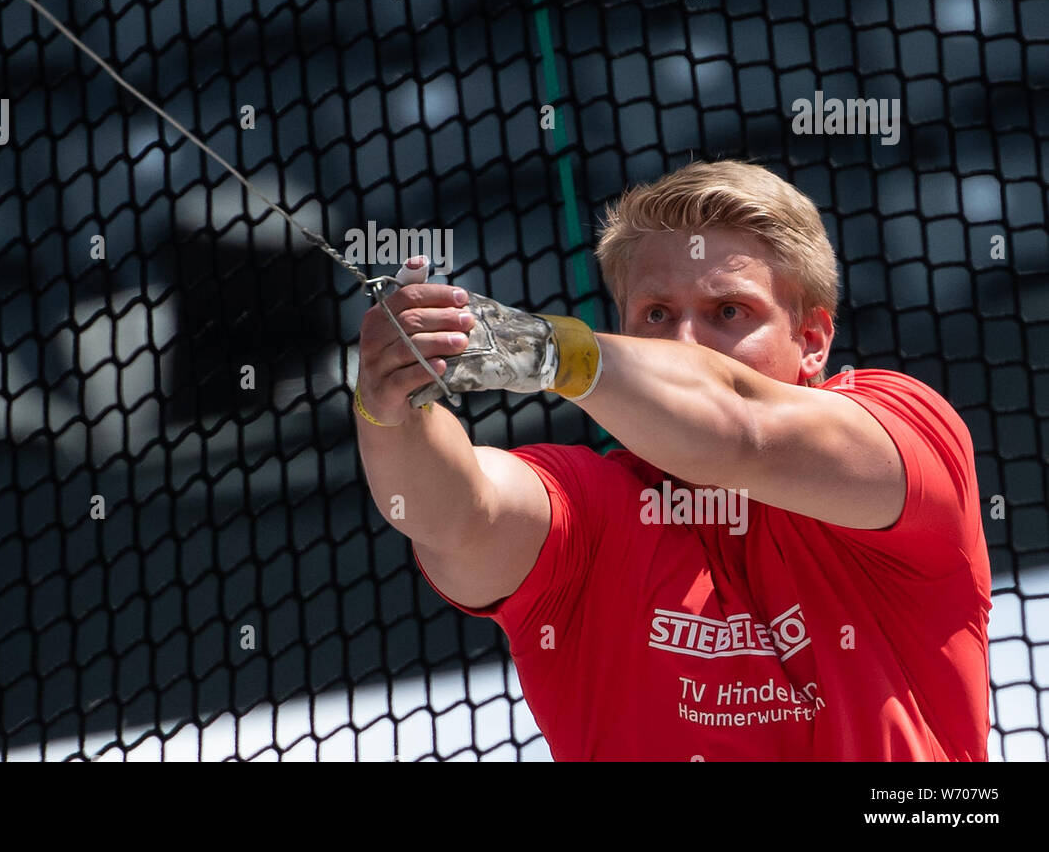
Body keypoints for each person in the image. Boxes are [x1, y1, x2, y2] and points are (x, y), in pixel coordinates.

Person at [352, 160, 991, 760]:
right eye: (656, 315)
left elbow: (738, 427)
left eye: (728, 312)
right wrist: (392, 402)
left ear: (813, 339)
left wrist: (550, 353)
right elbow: (457, 514)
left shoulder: (905, 426)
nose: (684, 345)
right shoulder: (591, 505)